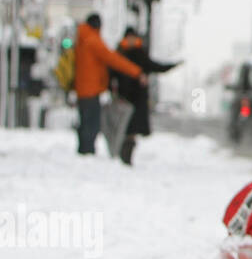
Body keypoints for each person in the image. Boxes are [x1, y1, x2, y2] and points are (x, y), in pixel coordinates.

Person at [73, 14, 145, 156]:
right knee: (91, 125)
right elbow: (112, 59)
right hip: (91, 89)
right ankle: (86, 153)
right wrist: (136, 71)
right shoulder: (92, 40)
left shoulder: (82, 38)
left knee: (86, 123)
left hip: (83, 88)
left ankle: (84, 151)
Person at [111, 27, 180, 165]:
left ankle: (127, 157)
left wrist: (172, 66)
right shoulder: (119, 53)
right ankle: (123, 156)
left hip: (138, 98)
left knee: (132, 130)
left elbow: (155, 66)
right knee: (124, 128)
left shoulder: (139, 53)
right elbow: (111, 73)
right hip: (124, 98)